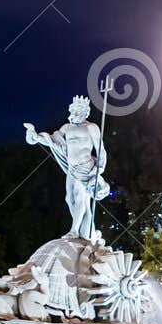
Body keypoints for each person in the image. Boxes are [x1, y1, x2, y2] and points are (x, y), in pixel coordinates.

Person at [24, 95, 108, 244]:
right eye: (71, 111)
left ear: (83, 112)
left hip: (86, 169)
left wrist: (98, 170)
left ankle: (74, 230)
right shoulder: (66, 128)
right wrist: (35, 136)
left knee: (80, 197)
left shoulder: (91, 128)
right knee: (70, 199)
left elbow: (101, 150)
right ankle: (89, 232)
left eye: (75, 111)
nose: (71, 114)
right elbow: (52, 140)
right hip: (71, 170)